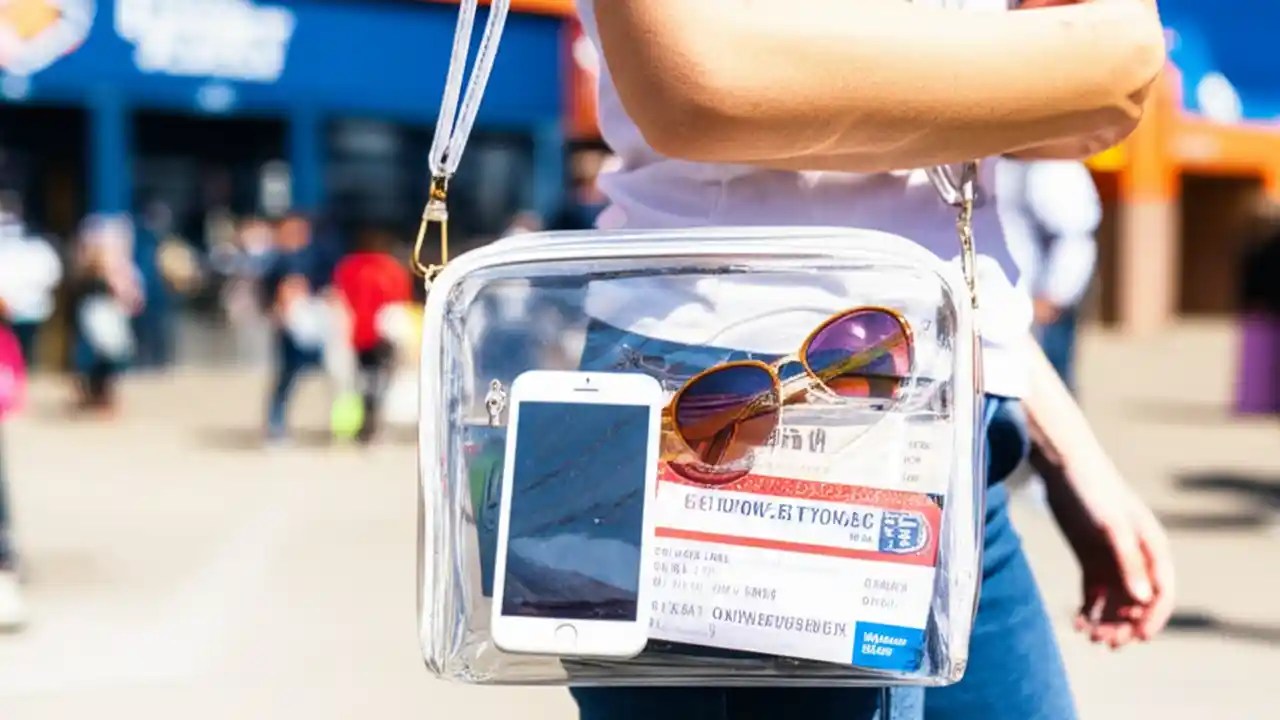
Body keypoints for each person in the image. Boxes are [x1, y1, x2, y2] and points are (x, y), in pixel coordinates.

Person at [569, 1, 1174, 718]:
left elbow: (1117, 78)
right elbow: (701, 85)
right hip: (742, 416)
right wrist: (1035, 72)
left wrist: (1057, 441)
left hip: (945, 410)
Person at [997, 159, 1102, 392]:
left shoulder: (1051, 165)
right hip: (1010, 303)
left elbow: (1074, 237)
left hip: (1040, 306)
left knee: (1046, 394)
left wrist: (1054, 294)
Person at [331, 227, 412, 444]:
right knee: (380, 380)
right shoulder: (392, 269)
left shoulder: (348, 267)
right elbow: (400, 300)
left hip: (357, 334)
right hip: (383, 334)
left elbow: (339, 297)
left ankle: (360, 422)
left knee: (361, 380)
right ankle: (372, 422)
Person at [262, 213, 329, 444]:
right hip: (289, 326)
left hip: (314, 322)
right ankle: (276, 424)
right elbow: (267, 293)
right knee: (287, 376)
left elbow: (326, 287)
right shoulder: (276, 261)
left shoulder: (315, 258)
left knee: (333, 372)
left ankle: (343, 423)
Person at [71, 216, 143, 416]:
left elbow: (132, 297)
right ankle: (92, 396)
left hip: (113, 319)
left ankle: (105, 397)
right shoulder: (89, 270)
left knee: (114, 359)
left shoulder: (123, 269)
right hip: (95, 318)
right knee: (92, 360)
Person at [0, 191, 62, 367]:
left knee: (25, 350)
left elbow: (50, 275)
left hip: (30, 311)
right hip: (7, 310)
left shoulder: (35, 247)